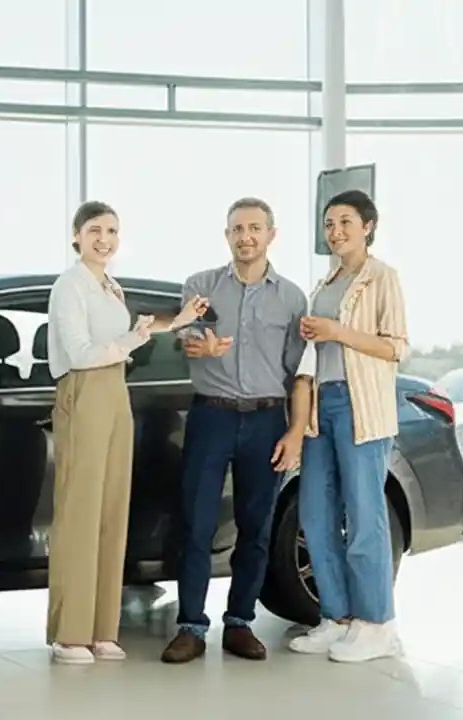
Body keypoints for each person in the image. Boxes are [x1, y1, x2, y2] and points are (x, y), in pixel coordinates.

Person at [47, 200, 205, 665]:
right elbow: (78, 353)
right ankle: (70, 634)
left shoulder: (110, 286)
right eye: (95, 230)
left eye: (112, 231)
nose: (105, 239)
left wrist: (176, 322)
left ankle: (101, 630)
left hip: (116, 391)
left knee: (113, 510)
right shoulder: (69, 285)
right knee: (80, 512)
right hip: (85, 390)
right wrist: (133, 341)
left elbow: (132, 334)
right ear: (76, 236)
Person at [160, 197, 310, 664]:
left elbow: (298, 371)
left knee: (256, 527)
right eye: (236, 229)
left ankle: (240, 623)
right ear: (226, 236)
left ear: (271, 234)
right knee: (197, 524)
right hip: (212, 417)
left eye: (254, 228)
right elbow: (183, 337)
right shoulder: (201, 286)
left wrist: (295, 431)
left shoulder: (291, 297)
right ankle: (190, 626)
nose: (245, 236)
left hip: (267, 420)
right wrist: (198, 347)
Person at [287, 189, 409, 663]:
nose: (335, 231)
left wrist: (337, 331)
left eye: (345, 222)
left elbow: (395, 347)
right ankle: (336, 618)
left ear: (369, 226)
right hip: (323, 404)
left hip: (363, 406)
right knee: (315, 513)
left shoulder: (382, 278)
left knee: (364, 517)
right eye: (329, 223)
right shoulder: (326, 284)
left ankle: (377, 624)